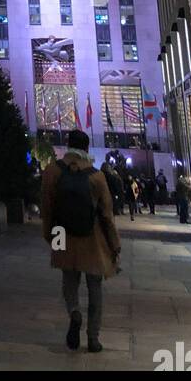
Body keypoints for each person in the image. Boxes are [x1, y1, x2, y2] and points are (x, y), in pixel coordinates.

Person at [40, 129, 121, 354]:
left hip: (61, 233)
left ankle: (74, 312)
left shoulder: (52, 171)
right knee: (95, 286)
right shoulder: (97, 176)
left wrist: (49, 236)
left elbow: (47, 209)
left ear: (68, 146)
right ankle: (93, 338)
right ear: (86, 148)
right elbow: (107, 214)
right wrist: (114, 244)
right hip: (92, 237)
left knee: (68, 280)